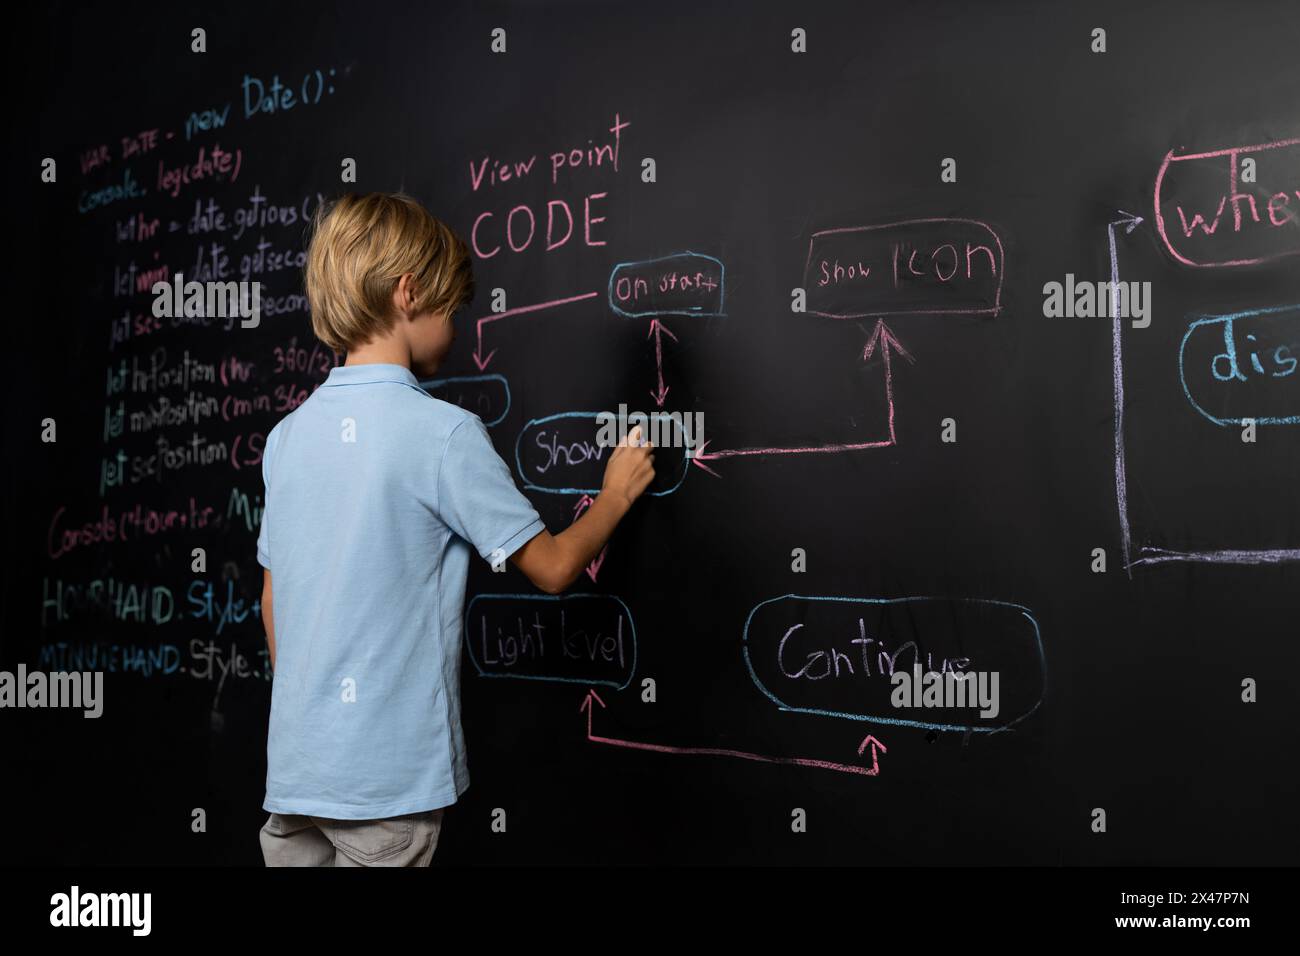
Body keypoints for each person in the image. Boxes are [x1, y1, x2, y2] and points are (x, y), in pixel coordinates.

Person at [256, 192, 654, 865]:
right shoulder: (442, 435)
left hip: (296, 777)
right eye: (452, 309)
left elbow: (273, 602)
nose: (461, 329)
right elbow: (553, 568)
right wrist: (614, 497)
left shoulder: (287, 437)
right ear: (407, 294)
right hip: (386, 787)